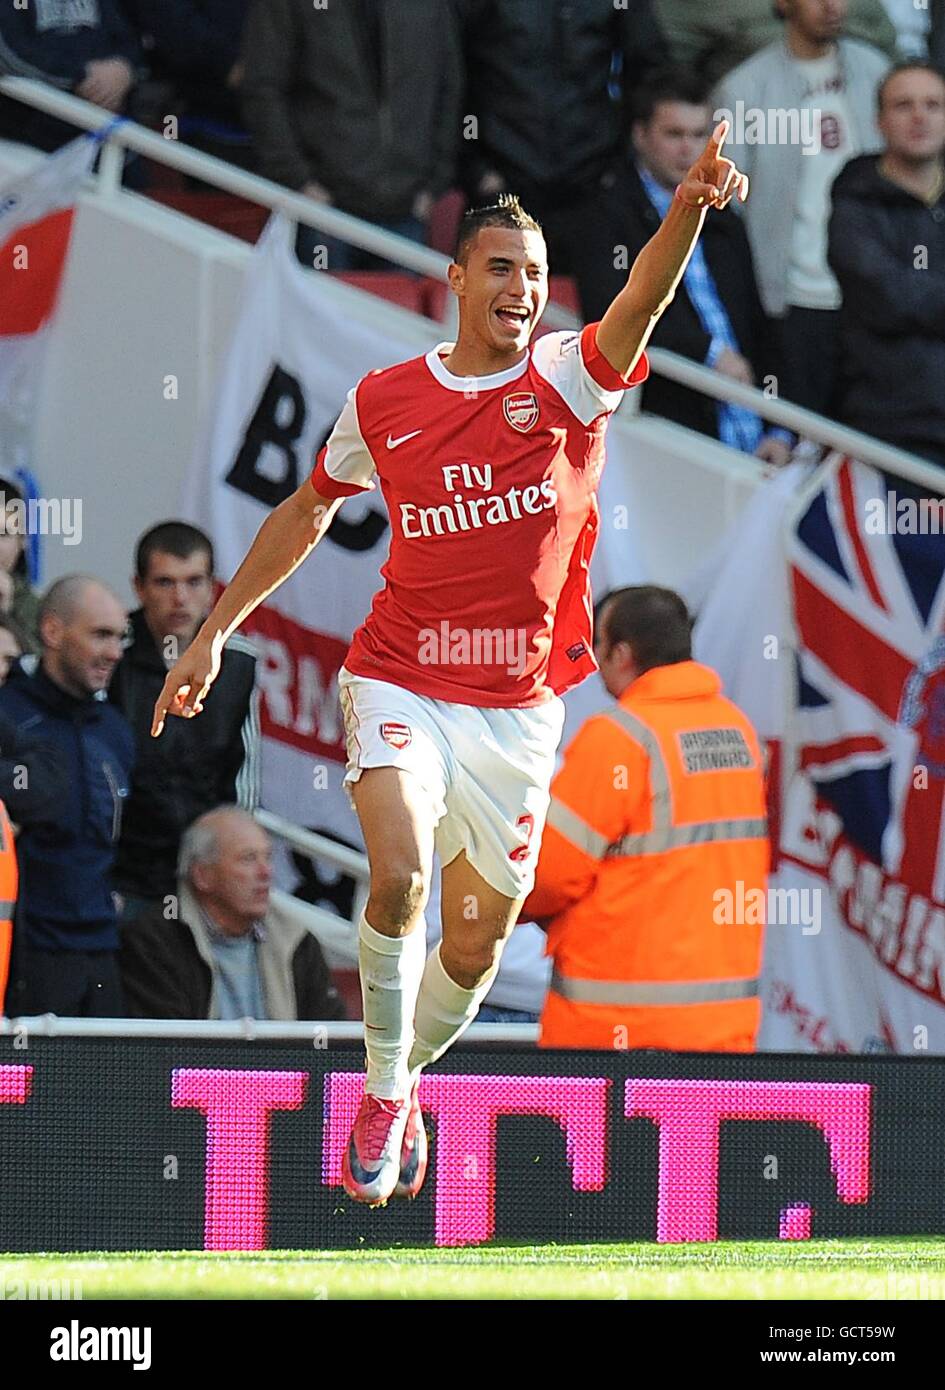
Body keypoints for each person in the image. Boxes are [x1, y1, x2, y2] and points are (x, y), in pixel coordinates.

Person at [152, 126, 750, 1206]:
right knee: (398, 876)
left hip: (518, 712)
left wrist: (688, 211)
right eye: (503, 269)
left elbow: (642, 305)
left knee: (472, 946)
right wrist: (216, 629)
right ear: (457, 278)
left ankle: (405, 1081)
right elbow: (303, 511)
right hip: (400, 677)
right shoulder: (384, 400)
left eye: (533, 272)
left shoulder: (570, 379)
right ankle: (383, 1090)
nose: (523, 288)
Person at [523, 587, 769, 1050]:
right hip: (722, 1029)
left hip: (615, 1033)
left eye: (598, 644)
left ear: (622, 653)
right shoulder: (738, 732)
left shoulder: (618, 739)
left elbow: (547, 878)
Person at [712, 0, 890, 416]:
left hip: (872, 298)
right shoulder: (743, 89)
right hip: (793, 298)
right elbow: (729, 209)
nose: (832, 6)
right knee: (800, 436)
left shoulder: (876, 71)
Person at [615, 70, 792, 465]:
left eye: (698, 136)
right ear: (640, 135)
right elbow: (613, 316)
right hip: (670, 435)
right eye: (674, 134)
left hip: (755, 440)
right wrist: (709, 353)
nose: (688, 149)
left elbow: (759, 328)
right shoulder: (607, 215)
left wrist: (781, 428)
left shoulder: (726, 218)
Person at [456, 0, 669, 323]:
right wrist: (475, 168)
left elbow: (649, 70)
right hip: (502, 183)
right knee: (489, 320)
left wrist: (617, 164)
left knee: (596, 332)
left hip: (590, 184)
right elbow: (450, 67)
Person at [239, 0, 461, 270]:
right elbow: (263, 87)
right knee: (321, 309)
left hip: (406, 210)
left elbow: (450, 86)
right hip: (323, 210)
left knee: (392, 312)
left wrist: (433, 184)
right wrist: (298, 180)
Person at [109, 522, 259, 920]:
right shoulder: (111, 652)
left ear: (212, 587)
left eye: (194, 582)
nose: (180, 598)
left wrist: (227, 857)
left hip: (205, 873)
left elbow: (245, 777)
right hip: (122, 871)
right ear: (139, 588)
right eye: (164, 583)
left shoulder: (239, 659)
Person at [0, 576, 133, 1018]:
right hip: (23, 950)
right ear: (53, 632)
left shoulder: (116, 729)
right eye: (100, 635)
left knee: (108, 1086)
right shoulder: (8, 714)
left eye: (119, 637)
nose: (114, 652)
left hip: (101, 949)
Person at [120, 807, 345, 1021]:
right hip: (198, 1063)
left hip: (286, 1064)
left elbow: (331, 1036)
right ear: (202, 875)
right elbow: (164, 1050)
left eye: (268, 857)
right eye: (248, 858)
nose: (266, 872)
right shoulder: (155, 939)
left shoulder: (296, 939)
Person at [828, 62, 945, 464]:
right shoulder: (853, 200)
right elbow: (887, 298)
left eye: (933, 105)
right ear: (879, 120)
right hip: (889, 430)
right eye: (903, 105)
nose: (919, 116)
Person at [655, 0, 899, 88]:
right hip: (754, 127)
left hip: (864, 124)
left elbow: (895, 60)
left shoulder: (871, 56)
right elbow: (665, 78)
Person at [0, 0, 140, 151]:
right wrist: (83, 77)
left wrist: (124, 69)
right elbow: (10, 59)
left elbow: (127, 37)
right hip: (24, 139)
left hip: (104, 134)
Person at [0, 483, 41, 655]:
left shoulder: (38, 610)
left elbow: (36, 670)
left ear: (22, 539)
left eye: (3, 534)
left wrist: (5, 614)